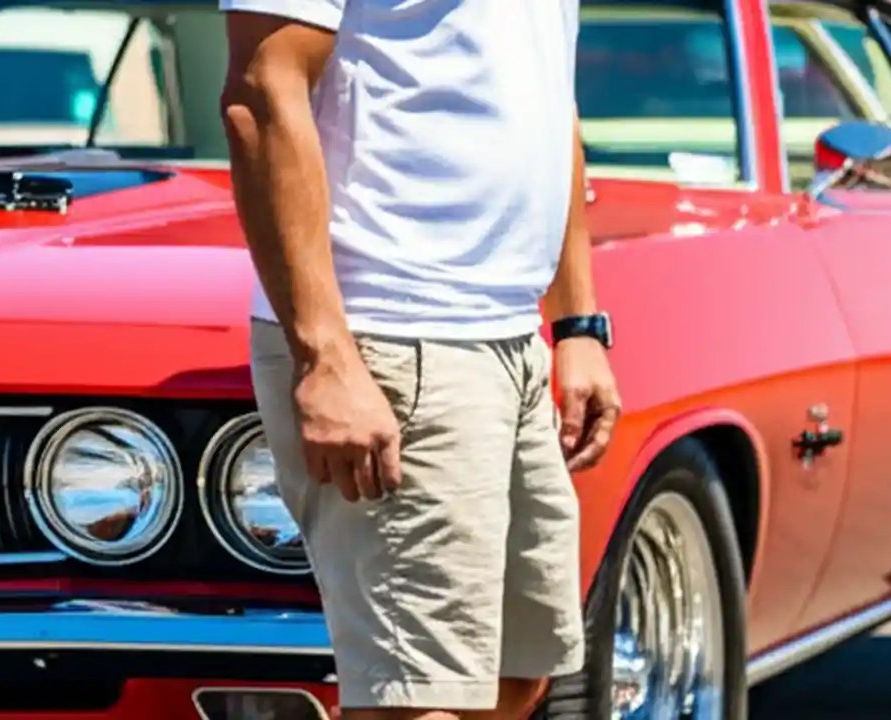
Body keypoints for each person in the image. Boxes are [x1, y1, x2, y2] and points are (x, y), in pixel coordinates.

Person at [217, 1, 621, 719]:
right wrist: (326, 358)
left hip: (507, 333)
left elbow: (544, 94)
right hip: (391, 332)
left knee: (514, 675)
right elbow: (261, 91)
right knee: (418, 703)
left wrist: (576, 321)